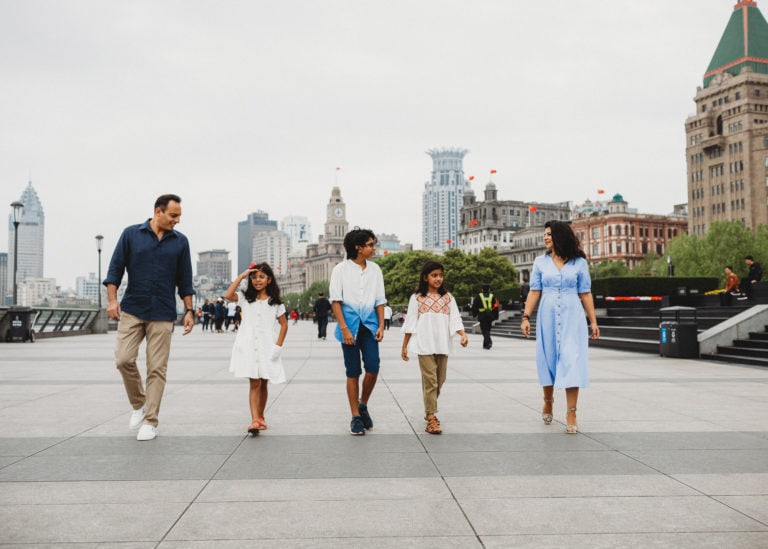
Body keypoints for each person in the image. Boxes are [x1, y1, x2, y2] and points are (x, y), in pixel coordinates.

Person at [103, 193, 195, 442]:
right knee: (123, 359)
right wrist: (112, 300)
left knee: (156, 369)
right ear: (158, 211)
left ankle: (150, 421)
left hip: (163, 312)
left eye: (179, 216)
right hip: (133, 309)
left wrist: (189, 310)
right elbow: (114, 270)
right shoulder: (131, 234)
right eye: (173, 215)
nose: (177, 220)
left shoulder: (181, 242)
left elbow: (185, 280)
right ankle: (140, 404)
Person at [520, 220, 599, 434]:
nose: (545, 237)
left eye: (549, 234)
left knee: (572, 360)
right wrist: (526, 317)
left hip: (572, 316)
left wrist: (593, 321)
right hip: (547, 315)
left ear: (559, 236)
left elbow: (585, 293)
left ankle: (571, 412)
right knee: (548, 359)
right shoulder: (540, 262)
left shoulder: (579, 263)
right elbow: (534, 291)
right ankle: (548, 400)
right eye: (545, 234)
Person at [330, 228, 386, 436]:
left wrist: (381, 325)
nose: (373, 248)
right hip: (349, 327)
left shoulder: (375, 270)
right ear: (358, 247)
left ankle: (363, 404)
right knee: (353, 371)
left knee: (373, 367)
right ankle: (355, 416)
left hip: (370, 326)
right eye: (370, 245)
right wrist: (344, 328)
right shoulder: (340, 270)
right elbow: (336, 301)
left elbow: (380, 300)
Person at [401, 260, 468, 434]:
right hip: (424, 345)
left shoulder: (448, 298)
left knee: (440, 380)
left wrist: (462, 334)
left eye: (440, 275)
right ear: (425, 277)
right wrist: (404, 346)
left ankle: (429, 409)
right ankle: (431, 417)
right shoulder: (416, 298)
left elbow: (455, 318)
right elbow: (410, 322)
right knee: (431, 380)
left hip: (442, 345)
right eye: (434, 275)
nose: (438, 279)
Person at [224, 262, 288, 435]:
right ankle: (254, 420)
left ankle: (260, 416)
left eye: (261, 277)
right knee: (255, 382)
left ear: (269, 280)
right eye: (254, 277)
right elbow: (228, 295)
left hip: (267, 346)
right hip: (249, 345)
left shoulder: (275, 302)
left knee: (264, 381)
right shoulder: (245, 298)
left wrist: (278, 346)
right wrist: (242, 276)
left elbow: (284, 325)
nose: (257, 280)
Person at [471, 283, 499, 349]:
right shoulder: (492, 296)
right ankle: (485, 344)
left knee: (484, 330)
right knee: (487, 330)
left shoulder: (478, 296)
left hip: (482, 315)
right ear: (489, 289)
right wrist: (496, 316)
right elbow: (496, 307)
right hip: (490, 315)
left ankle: (489, 342)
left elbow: (474, 306)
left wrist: (474, 314)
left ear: (482, 289)